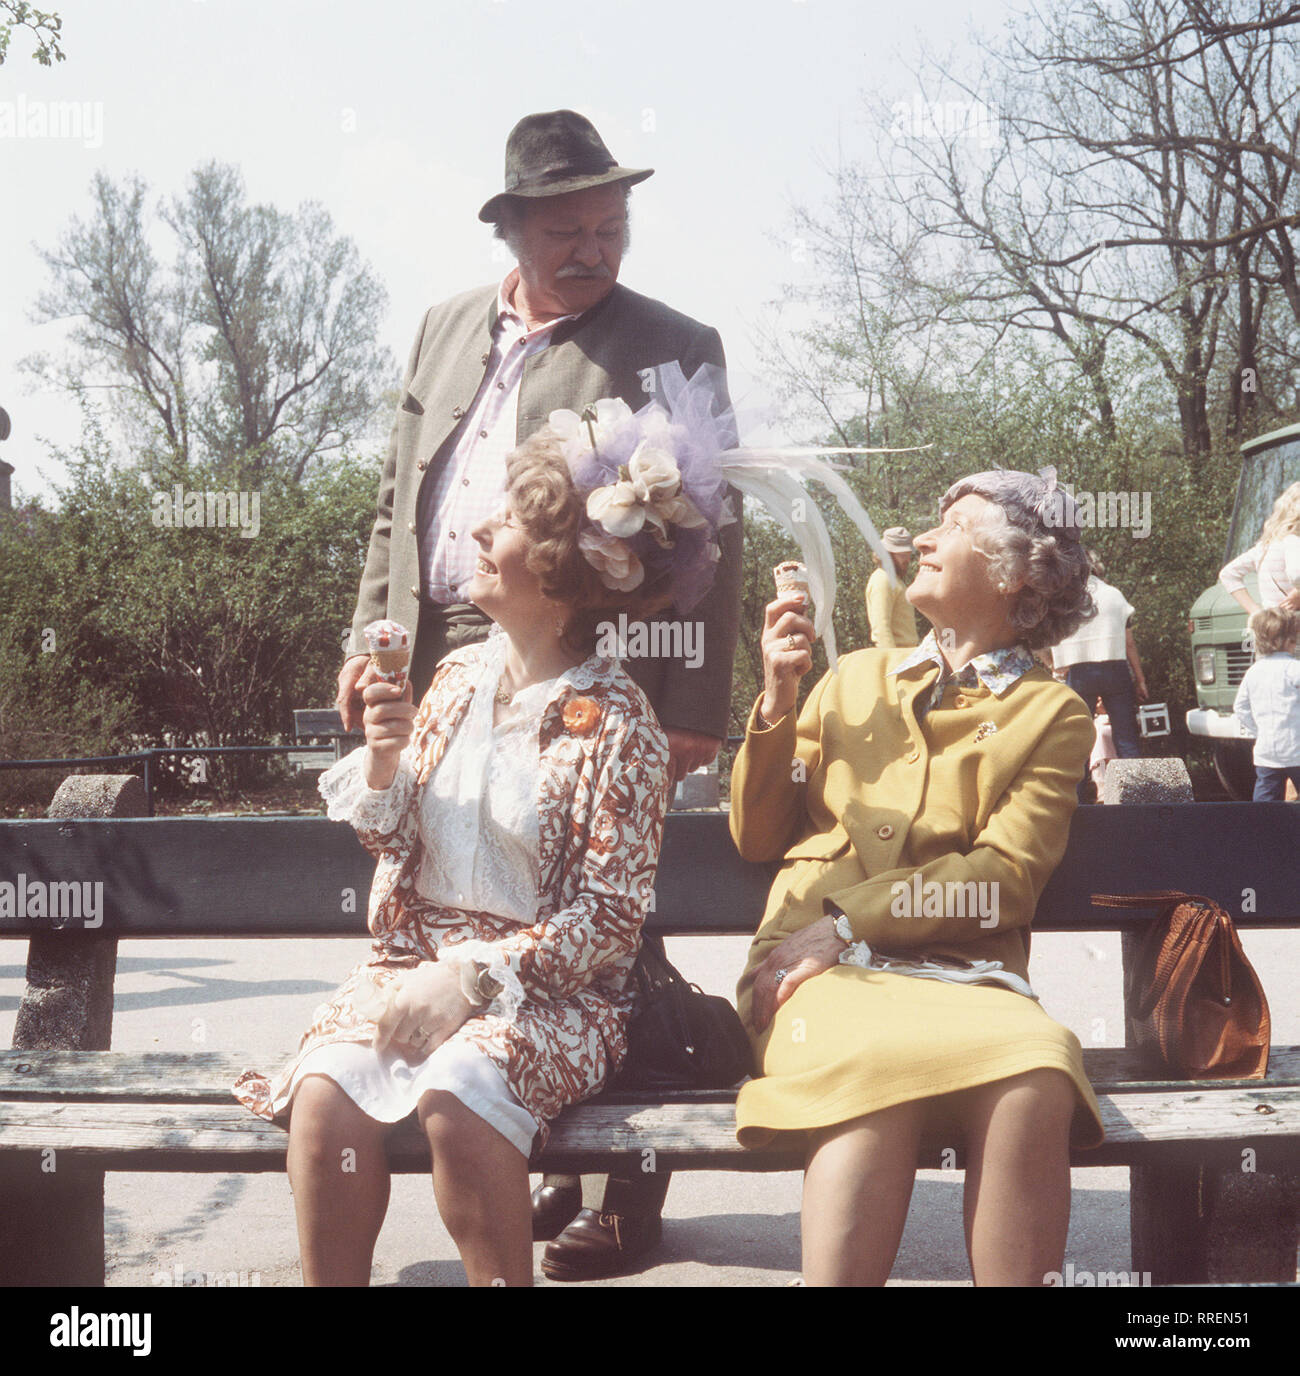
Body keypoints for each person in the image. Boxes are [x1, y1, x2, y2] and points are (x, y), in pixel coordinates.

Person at [333, 108, 743, 1275]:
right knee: (453, 880)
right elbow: (395, 500)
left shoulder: (674, 338)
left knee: (599, 912)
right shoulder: (444, 325)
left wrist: (691, 706)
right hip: (452, 642)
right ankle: (489, 1115)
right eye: (566, 229)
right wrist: (374, 641)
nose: (594, 250)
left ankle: (622, 1186)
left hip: (597, 644)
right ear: (510, 226)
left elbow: (712, 524)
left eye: (610, 226)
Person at [233, 400, 732, 1285]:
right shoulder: (457, 677)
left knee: (460, 1098)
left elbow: (610, 924)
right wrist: (384, 763)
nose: (473, 527)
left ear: (554, 574)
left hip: (550, 998)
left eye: (499, 521)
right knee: (324, 1105)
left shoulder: (620, 724)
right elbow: (386, 836)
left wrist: (473, 977)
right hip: (410, 966)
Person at [729, 468, 1105, 1287]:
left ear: (1015, 571)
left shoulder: (1052, 714)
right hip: (806, 964)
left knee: (1038, 1071)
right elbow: (758, 836)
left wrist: (850, 923)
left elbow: (1002, 877)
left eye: (955, 524)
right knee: (873, 1072)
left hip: (960, 971)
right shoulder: (853, 677)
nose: (924, 540)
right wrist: (779, 697)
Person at [1049, 551, 1148, 768]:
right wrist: (1140, 679)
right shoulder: (1114, 595)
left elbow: (1052, 638)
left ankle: (1077, 799)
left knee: (1078, 740)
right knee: (1126, 737)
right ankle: (1136, 796)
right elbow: (1129, 643)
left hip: (1080, 671)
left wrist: (1056, 668)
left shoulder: (1067, 598)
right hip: (1115, 669)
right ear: (1097, 568)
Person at [1232, 607, 1300, 801]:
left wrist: (1258, 730)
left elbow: (1240, 707)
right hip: (1296, 748)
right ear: (1287, 641)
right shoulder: (1294, 669)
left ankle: (1262, 829)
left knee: (1265, 798)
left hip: (1267, 750)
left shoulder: (1253, 671)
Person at [1219, 482, 1300, 615]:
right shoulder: (1293, 542)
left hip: (1270, 626)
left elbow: (1228, 574)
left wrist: (1256, 612)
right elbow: (1297, 575)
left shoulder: (1264, 547)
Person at [864, 525, 919, 648]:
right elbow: (881, 629)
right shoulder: (882, 580)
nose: (908, 559)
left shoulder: (893, 580)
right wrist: (892, 661)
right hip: (898, 657)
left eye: (908, 554)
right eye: (903, 554)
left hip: (905, 655)